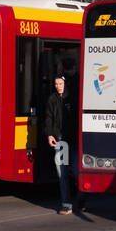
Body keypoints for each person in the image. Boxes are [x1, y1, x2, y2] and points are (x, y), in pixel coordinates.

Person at [43, 72, 80, 215]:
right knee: (62, 172)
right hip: (61, 141)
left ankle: (82, 199)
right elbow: (49, 118)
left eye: (61, 84)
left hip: (75, 141)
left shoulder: (73, 98)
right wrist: (50, 134)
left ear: (65, 84)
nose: (58, 86)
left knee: (77, 172)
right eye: (56, 84)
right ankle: (66, 204)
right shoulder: (52, 99)